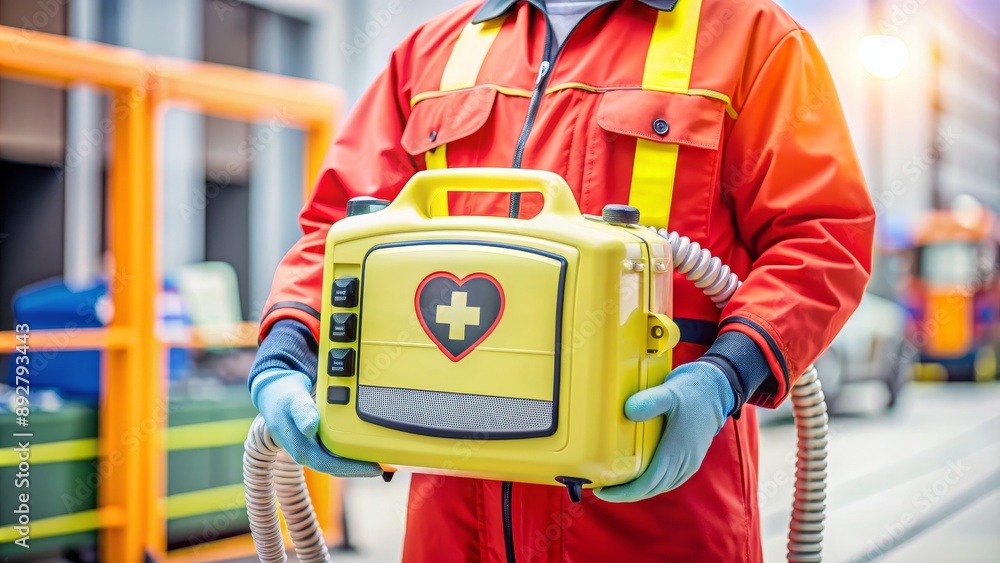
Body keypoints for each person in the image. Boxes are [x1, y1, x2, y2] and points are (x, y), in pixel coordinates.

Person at [248, 0, 876, 561]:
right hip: (450, 508)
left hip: (656, 506)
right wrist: (285, 357)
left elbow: (823, 235)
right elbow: (338, 228)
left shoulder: (751, 41)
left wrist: (724, 376)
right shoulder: (432, 57)